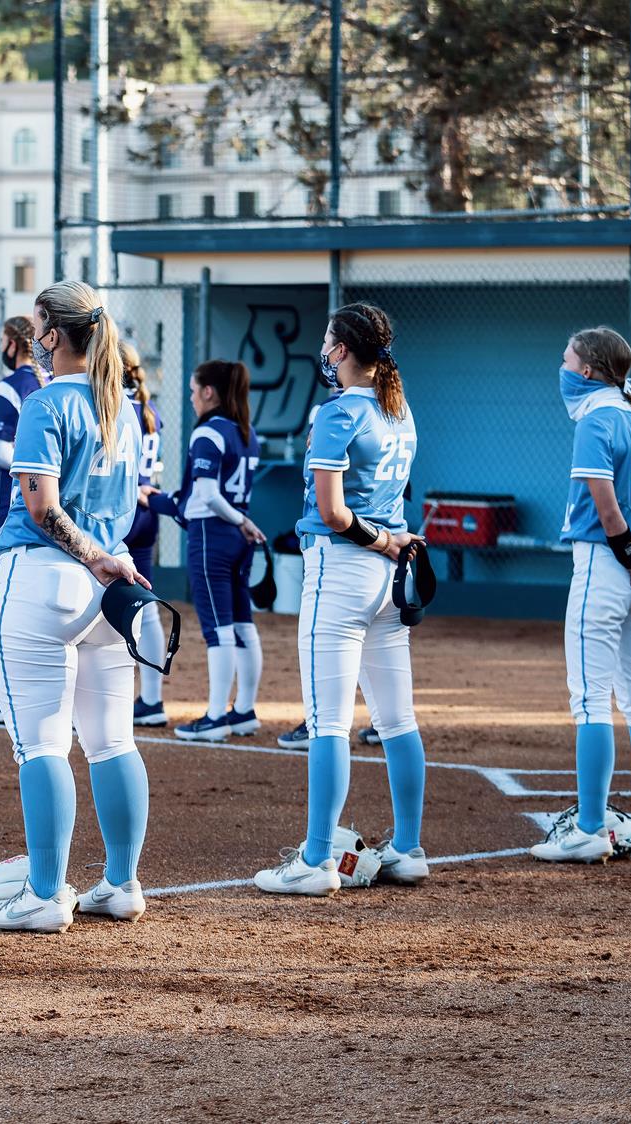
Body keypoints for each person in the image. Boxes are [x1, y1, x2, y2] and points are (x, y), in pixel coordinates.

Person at [0, 280, 151, 933]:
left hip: (46, 579)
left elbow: (42, 507)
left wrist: (89, 554)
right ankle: (122, 884)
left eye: (40, 327)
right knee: (112, 741)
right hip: (112, 584)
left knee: (42, 744)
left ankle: (46, 895)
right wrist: (102, 557)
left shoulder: (46, 403)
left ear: (51, 333)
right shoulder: (120, 406)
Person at [255, 302, 430, 896]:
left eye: (330, 342)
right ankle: (408, 847)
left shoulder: (340, 412)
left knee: (328, 722)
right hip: (388, 576)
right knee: (396, 718)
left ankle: (315, 859)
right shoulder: (398, 409)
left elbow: (331, 512)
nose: (324, 352)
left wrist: (379, 541)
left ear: (344, 351)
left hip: (345, 568)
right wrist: (388, 542)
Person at [531, 327, 631, 862]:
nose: (564, 367)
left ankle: (589, 828)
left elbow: (608, 508)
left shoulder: (596, 421)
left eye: (568, 359)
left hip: (605, 563)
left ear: (589, 371)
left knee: (591, 697)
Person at [172, 359, 268, 742]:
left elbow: (208, 495)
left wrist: (239, 520)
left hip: (214, 534)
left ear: (209, 392)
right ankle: (243, 710)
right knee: (243, 623)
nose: (192, 398)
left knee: (218, 628)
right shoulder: (248, 432)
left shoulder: (208, 433)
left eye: (195, 391)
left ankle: (216, 716)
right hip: (236, 537)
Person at [120, 345, 171, 727]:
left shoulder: (115, 406)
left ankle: (108, 699)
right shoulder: (150, 409)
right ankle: (151, 699)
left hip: (121, 511)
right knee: (148, 605)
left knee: (105, 602)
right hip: (148, 509)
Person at [0, 316, 44, 583]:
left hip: (12, 492)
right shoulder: (53, 383)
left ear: (13, 345)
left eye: (2, 341)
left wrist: (32, 469)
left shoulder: (8, 387)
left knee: (5, 579)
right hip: (53, 491)